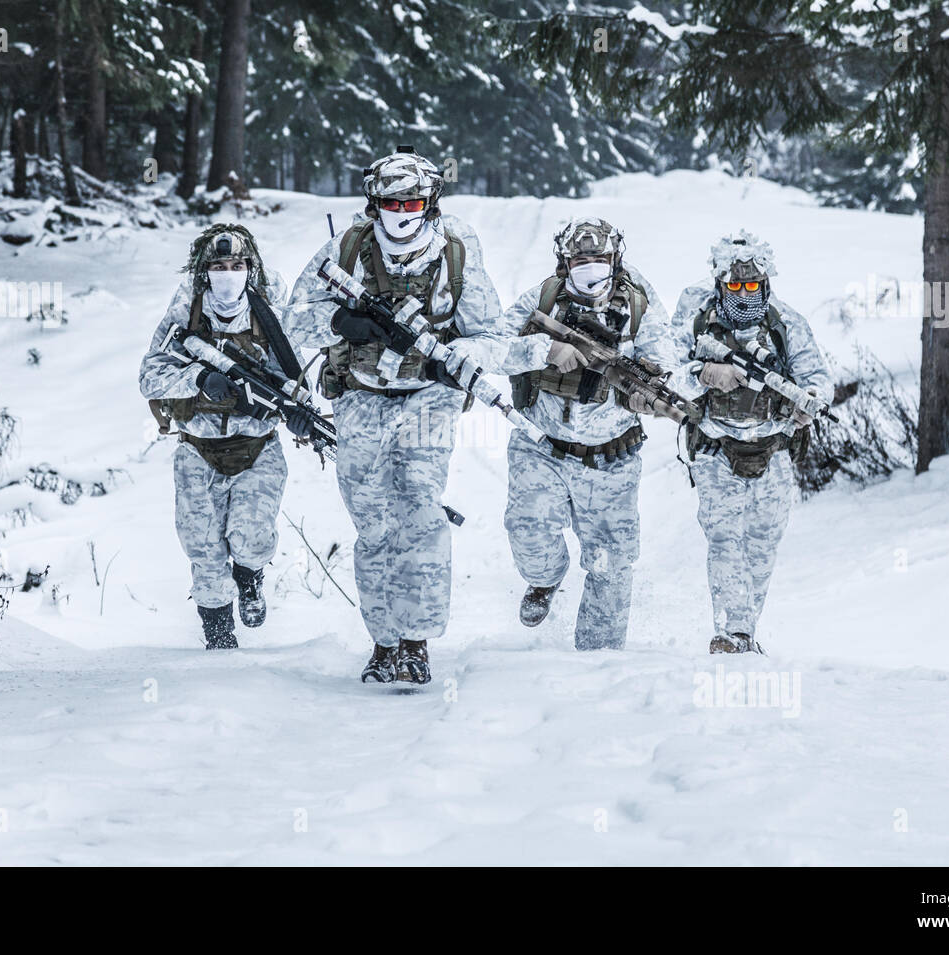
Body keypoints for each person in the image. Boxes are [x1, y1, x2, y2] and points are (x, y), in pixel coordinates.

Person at [283, 146, 514, 684]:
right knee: (373, 523)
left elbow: (493, 335)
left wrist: (462, 360)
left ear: (430, 200)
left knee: (418, 510)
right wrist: (345, 324)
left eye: (414, 203)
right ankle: (383, 643)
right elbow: (292, 323)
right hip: (360, 394)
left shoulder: (455, 252)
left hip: (428, 395)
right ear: (374, 202)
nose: (403, 213)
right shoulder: (346, 248)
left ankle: (417, 642)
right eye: (392, 203)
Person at [455, 216, 679, 650]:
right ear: (564, 261)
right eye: (581, 258)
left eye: (600, 258)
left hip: (612, 457)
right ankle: (545, 579)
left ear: (616, 259)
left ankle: (599, 663)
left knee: (611, 564)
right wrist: (545, 349)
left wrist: (645, 394)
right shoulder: (544, 298)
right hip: (541, 445)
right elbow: (492, 346)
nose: (590, 266)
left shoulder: (639, 306)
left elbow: (666, 363)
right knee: (528, 532)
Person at [139, 224, 312, 649]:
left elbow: (298, 375)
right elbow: (150, 377)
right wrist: (200, 378)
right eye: (218, 266)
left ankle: (250, 579)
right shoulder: (188, 308)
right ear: (203, 272)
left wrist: (299, 415)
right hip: (198, 450)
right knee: (204, 552)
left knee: (251, 541)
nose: (228, 273)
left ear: (250, 268)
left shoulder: (270, 307)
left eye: (237, 265)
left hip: (258, 447)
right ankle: (219, 642)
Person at [665, 230, 833, 653]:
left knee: (761, 548)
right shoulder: (697, 320)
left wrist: (809, 402)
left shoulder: (786, 323)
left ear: (766, 283)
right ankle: (730, 632)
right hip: (716, 449)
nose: (744, 293)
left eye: (753, 285)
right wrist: (704, 374)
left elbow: (819, 380)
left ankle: (746, 630)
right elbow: (664, 373)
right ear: (720, 283)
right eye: (735, 285)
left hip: (774, 450)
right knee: (724, 542)